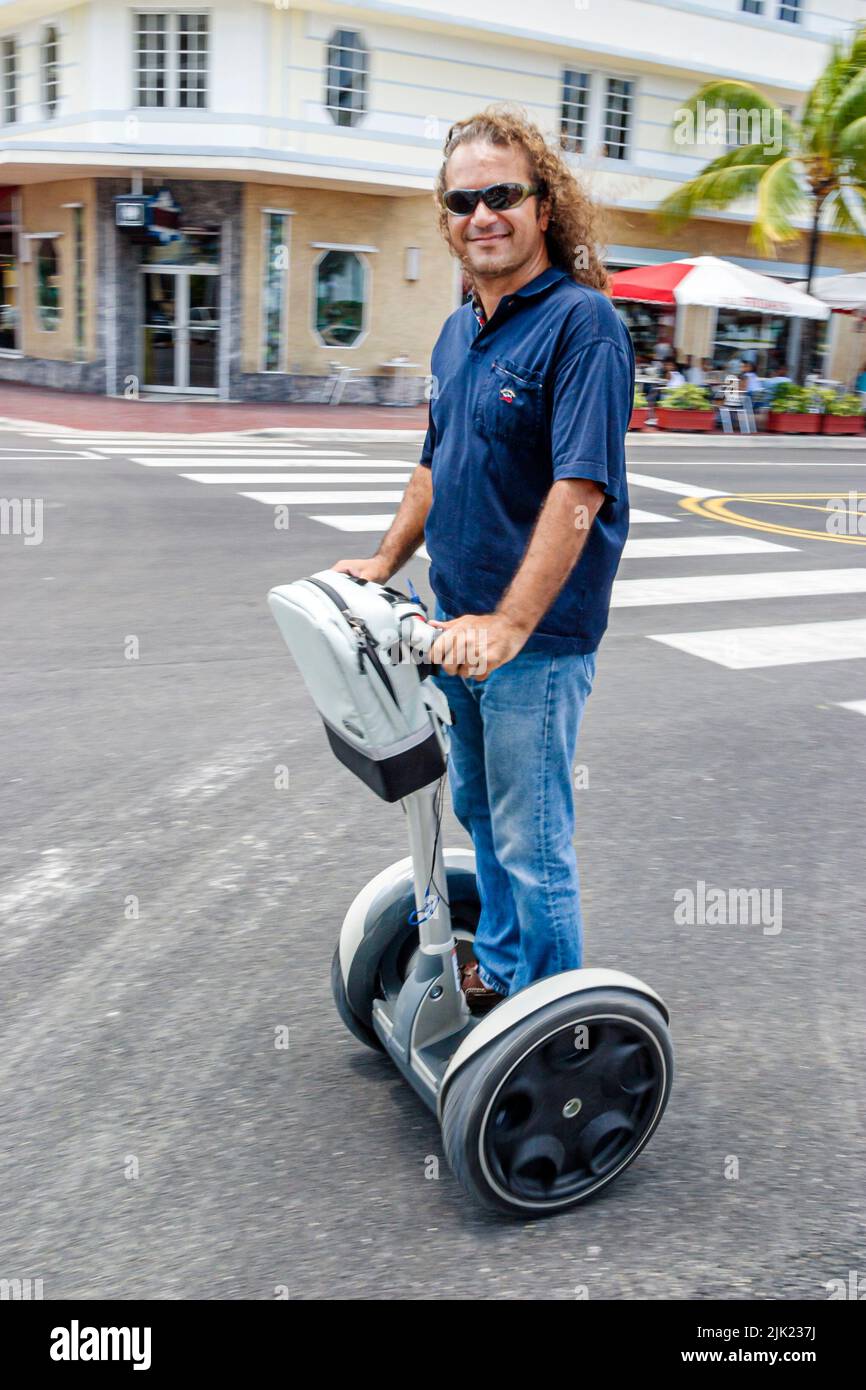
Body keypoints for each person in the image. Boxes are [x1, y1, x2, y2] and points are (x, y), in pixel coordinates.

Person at [332, 106, 632, 1013]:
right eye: (463, 200)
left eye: (502, 194)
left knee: (531, 840)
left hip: (530, 647)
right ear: (447, 218)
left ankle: (556, 1032)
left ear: (544, 205)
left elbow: (579, 493)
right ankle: (502, 970)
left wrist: (507, 626)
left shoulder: (585, 328)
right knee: (480, 817)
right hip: (452, 625)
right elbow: (435, 463)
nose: (482, 215)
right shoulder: (460, 331)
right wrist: (383, 564)